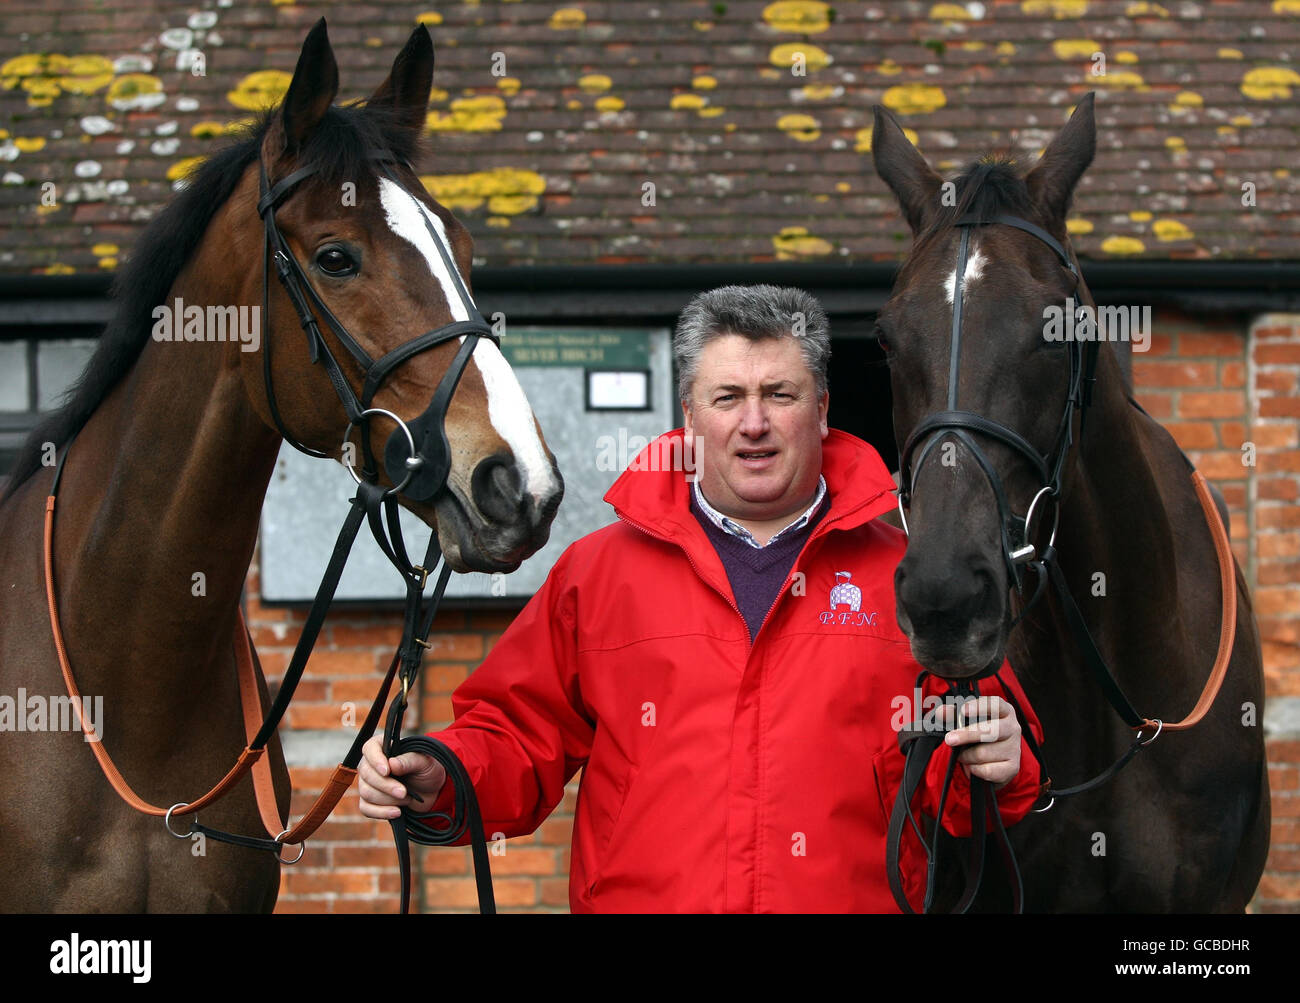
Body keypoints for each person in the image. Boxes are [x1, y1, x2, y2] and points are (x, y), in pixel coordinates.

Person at [358, 284, 1043, 912]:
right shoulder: (599, 574)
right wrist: (443, 774)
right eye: (727, 397)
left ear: (823, 408)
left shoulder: (911, 577)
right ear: (690, 415)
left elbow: (973, 753)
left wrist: (1001, 756)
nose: (754, 423)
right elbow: (516, 734)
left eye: (780, 393)